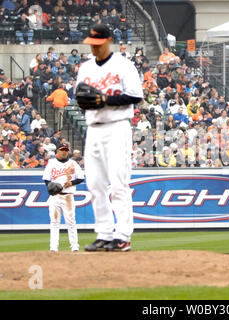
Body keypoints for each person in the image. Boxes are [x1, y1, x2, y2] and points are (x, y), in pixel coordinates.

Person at [76, 24, 143, 252]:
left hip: (117, 127)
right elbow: (81, 98)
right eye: (91, 44)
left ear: (108, 41)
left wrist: (105, 100)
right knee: (94, 184)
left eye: (98, 43)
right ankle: (104, 233)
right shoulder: (85, 68)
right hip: (93, 128)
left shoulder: (124, 66)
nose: (94, 48)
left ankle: (122, 235)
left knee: (118, 183)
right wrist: (89, 101)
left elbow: (135, 96)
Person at [42, 144, 84, 252]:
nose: (64, 152)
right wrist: (52, 187)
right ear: (57, 151)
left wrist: (71, 182)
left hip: (68, 196)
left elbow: (81, 178)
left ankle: (74, 247)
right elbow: (46, 179)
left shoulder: (73, 163)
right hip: (55, 197)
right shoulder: (52, 163)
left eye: (66, 150)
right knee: (54, 222)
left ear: (68, 152)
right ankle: (53, 248)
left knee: (71, 222)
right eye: (62, 150)